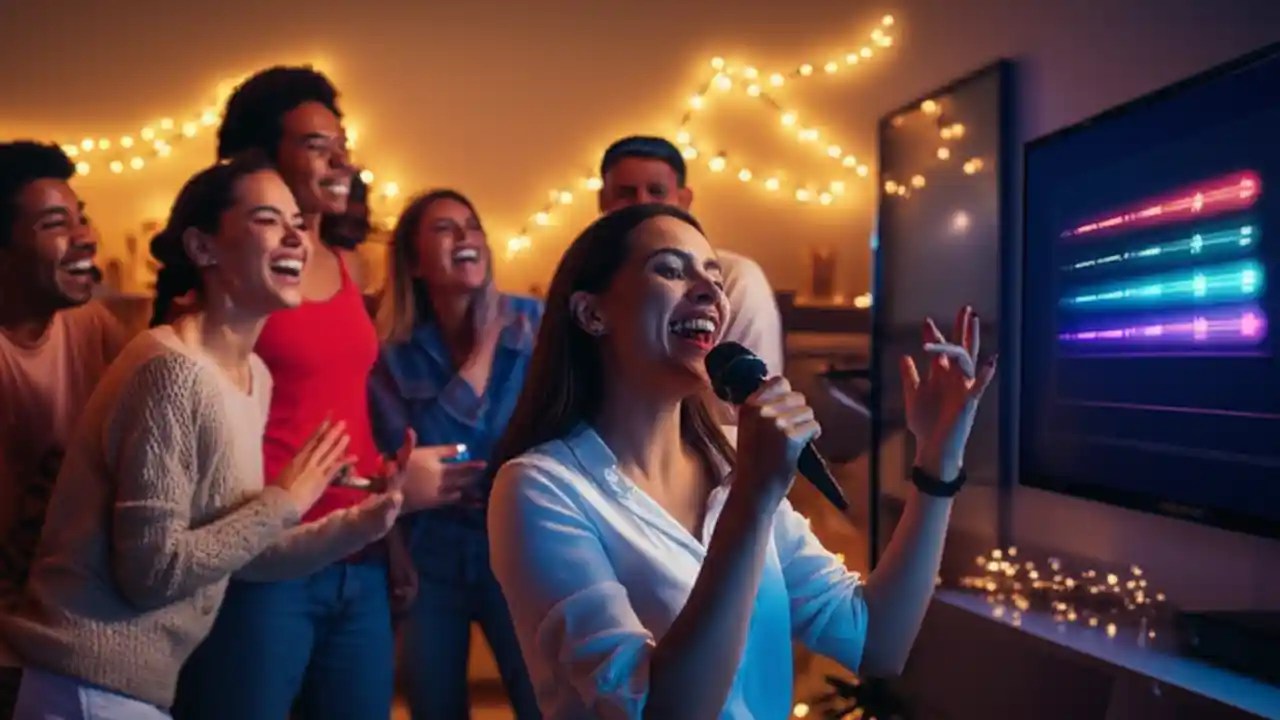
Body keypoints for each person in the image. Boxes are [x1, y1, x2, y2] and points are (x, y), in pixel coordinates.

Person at [487, 203, 996, 719]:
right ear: (592, 313)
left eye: (714, 276)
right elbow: (665, 712)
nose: (710, 290)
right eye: (670, 268)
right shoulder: (540, 488)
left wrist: (937, 460)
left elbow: (875, 642)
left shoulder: (730, 459)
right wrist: (753, 493)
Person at [1, 154, 404, 719]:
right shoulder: (171, 369)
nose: (295, 236)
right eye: (267, 219)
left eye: (297, 221)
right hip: (80, 683)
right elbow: (153, 572)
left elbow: (236, 554)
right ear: (203, 248)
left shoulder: (252, 377)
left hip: (129, 690)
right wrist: (285, 500)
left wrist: (363, 521)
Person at [174, 66, 456, 720]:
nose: (339, 158)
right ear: (263, 159)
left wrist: (389, 537)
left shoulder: (348, 261)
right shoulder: (239, 272)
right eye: (313, 143)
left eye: (341, 141)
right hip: (264, 554)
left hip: (355, 552)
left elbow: (348, 415)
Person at [370, 190, 541, 718]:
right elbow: (416, 460)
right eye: (445, 228)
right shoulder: (393, 350)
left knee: (544, 700)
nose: (465, 236)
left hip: (519, 544)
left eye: (472, 225)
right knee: (433, 703)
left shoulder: (533, 322)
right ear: (416, 263)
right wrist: (482, 358)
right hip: (431, 553)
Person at [0, 141, 128, 719]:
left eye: (82, 219)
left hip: (79, 636)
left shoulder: (92, 326)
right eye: (56, 224)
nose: (85, 237)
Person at [597, 135, 785, 428]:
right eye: (626, 193)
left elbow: (746, 411)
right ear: (603, 201)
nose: (642, 204)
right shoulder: (589, 280)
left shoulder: (737, 280)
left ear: (683, 200)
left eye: (656, 191)